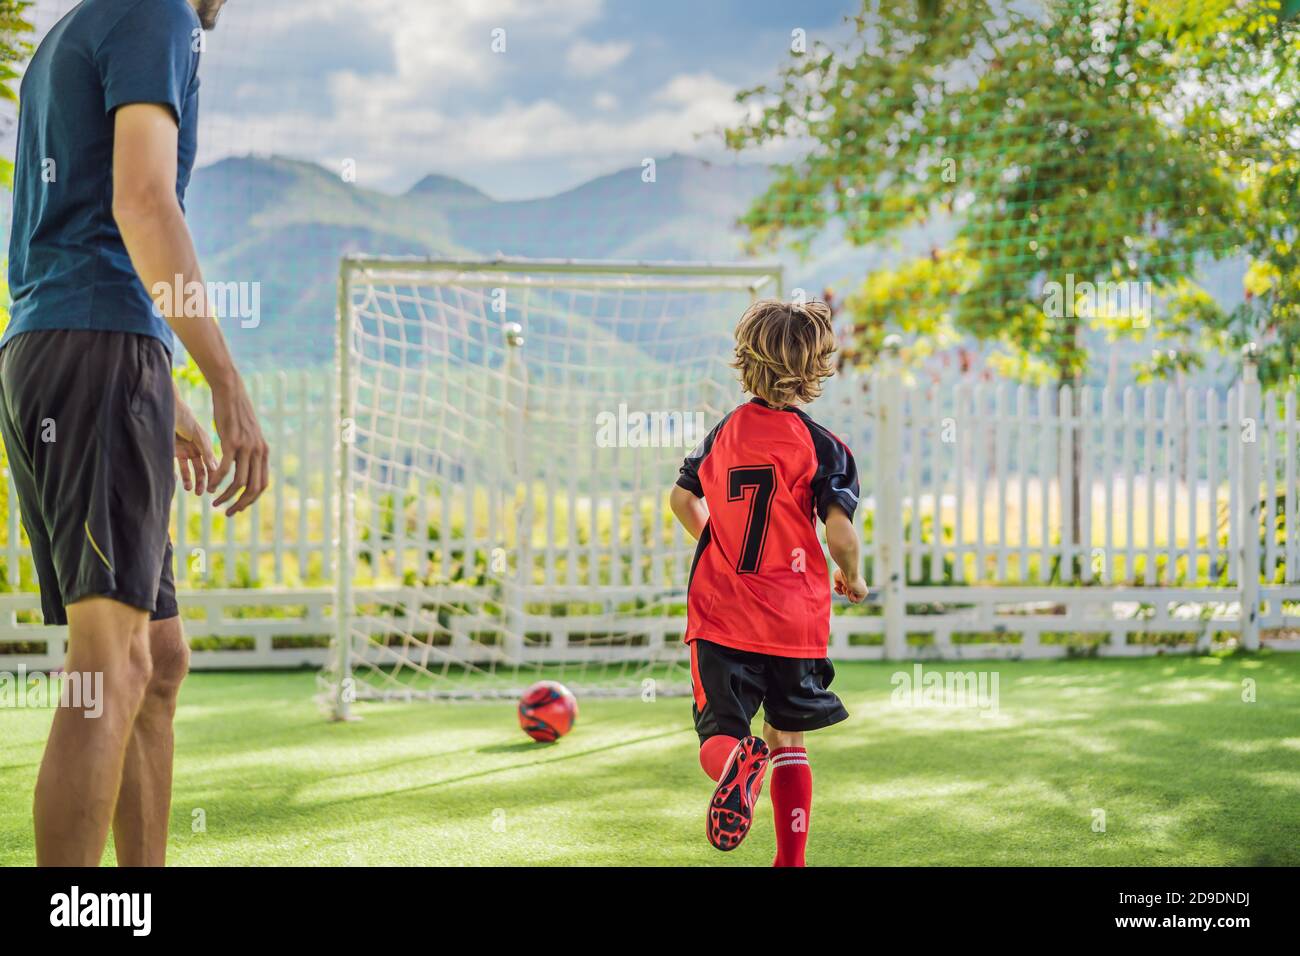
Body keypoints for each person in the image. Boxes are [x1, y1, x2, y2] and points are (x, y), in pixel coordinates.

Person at [0, 0, 267, 866]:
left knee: (157, 655)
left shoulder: (82, 26)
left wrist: (167, 394)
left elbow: (78, 226)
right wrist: (224, 381)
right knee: (107, 665)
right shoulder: (156, 12)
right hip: (96, 354)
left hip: (79, 348)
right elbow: (144, 204)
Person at [669, 299, 866, 866]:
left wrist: (715, 539)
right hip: (794, 619)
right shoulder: (824, 447)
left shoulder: (724, 433)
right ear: (815, 369)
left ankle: (735, 764)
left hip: (723, 613)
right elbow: (841, 530)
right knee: (788, 738)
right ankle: (790, 860)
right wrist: (853, 578)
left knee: (720, 733)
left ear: (746, 359)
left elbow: (682, 498)